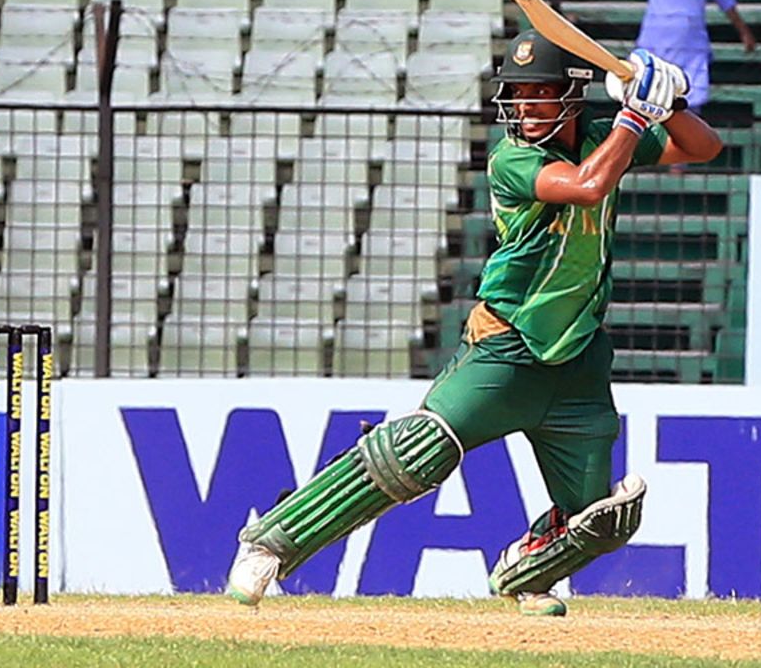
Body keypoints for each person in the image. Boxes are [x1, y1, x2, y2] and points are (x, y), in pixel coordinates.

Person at [226, 31, 723, 617]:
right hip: (507, 345)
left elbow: (703, 149)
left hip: (578, 359)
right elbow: (588, 188)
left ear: (572, 94)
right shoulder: (515, 158)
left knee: (600, 519)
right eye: (517, 94)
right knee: (416, 452)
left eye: (539, 92)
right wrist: (636, 115)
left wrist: (672, 100)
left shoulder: (599, 137)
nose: (524, 105)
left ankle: (527, 573)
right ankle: (270, 544)